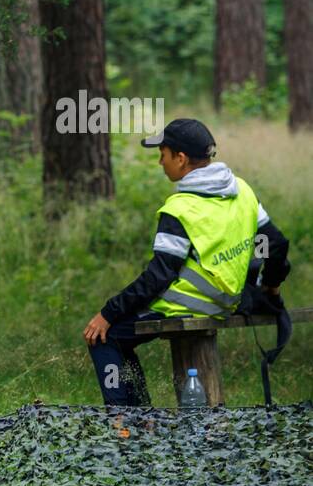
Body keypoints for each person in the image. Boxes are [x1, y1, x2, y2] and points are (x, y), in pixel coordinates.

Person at [83, 118, 291, 405]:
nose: (160, 162)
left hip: (187, 305)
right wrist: (270, 288)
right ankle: (141, 420)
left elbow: (158, 277)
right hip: (228, 301)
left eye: (163, 154)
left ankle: (129, 424)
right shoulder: (241, 190)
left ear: (181, 159)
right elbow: (275, 244)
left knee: (104, 337)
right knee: (115, 332)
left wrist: (107, 312)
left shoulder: (180, 209)